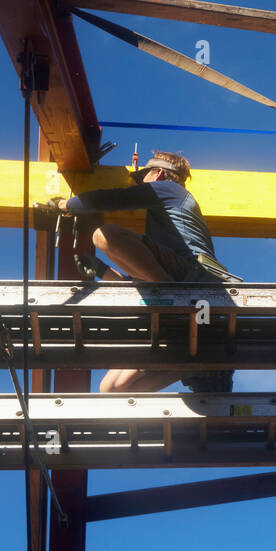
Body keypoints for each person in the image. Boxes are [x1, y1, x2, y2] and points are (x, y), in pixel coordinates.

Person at [54, 149, 239, 393]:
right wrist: (102, 270)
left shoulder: (172, 190)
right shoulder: (162, 229)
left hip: (194, 278)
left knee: (104, 235)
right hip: (179, 310)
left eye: (144, 177)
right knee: (110, 388)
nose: (141, 182)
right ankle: (188, 367)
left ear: (159, 173)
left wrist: (66, 204)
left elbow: (115, 198)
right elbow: (141, 280)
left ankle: (169, 298)